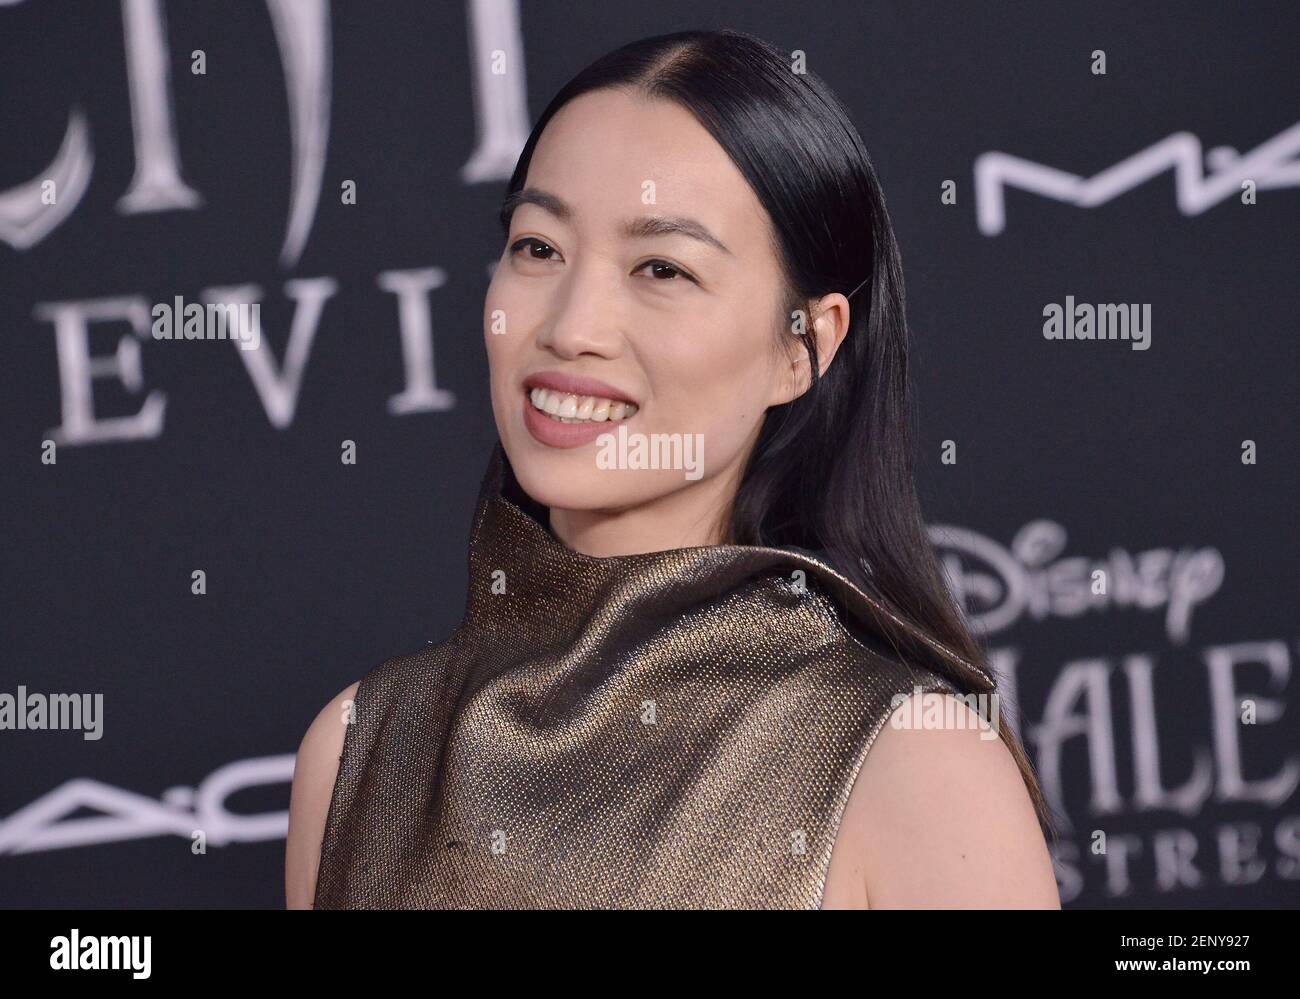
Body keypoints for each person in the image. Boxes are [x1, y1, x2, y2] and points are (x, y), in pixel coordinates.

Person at [286, 28, 1060, 909]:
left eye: (662, 267)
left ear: (803, 347)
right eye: (539, 247)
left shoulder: (917, 764)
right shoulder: (361, 749)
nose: (573, 324)